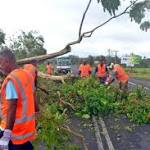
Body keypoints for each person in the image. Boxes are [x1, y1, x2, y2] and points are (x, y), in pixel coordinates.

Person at [0, 47, 37, 150]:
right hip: (26, 131)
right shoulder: (28, 75)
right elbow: (34, 100)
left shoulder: (12, 80)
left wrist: (6, 135)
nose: (0, 67)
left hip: (13, 132)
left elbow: (12, 108)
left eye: (0, 63)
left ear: (7, 62)